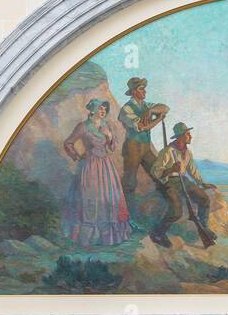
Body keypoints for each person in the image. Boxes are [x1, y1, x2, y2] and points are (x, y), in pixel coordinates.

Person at [61, 99, 131, 247]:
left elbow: (112, 148)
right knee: (89, 197)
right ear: (92, 110)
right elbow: (68, 143)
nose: (103, 111)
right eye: (100, 108)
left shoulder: (107, 126)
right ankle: (86, 239)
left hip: (106, 167)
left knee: (108, 198)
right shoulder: (83, 127)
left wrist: (109, 136)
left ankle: (107, 238)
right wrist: (77, 156)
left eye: (105, 109)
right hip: (90, 166)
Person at [149, 121, 216, 248]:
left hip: (182, 181)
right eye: (187, 134)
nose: (190, 137)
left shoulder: (187, 152)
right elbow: (155, 172)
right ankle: (158, 233)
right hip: (168, 182)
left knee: (204, 199)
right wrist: (171, 170)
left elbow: (192, 170)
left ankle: (204, 228)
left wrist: (201, 183)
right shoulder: (167, 151)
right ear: (180, 136)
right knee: (176, 211)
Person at [118, 77, 169, 219]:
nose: (144, 91)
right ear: (134, 92)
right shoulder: (126, 109)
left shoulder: (146, 106)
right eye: (141, 89)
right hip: (132, 146)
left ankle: (162, 209)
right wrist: (158, 119)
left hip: (145, 147)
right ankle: (129, 216)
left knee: (157, 173)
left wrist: (151, 110)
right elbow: (141, 127)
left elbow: (165, 108)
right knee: (130, 182)